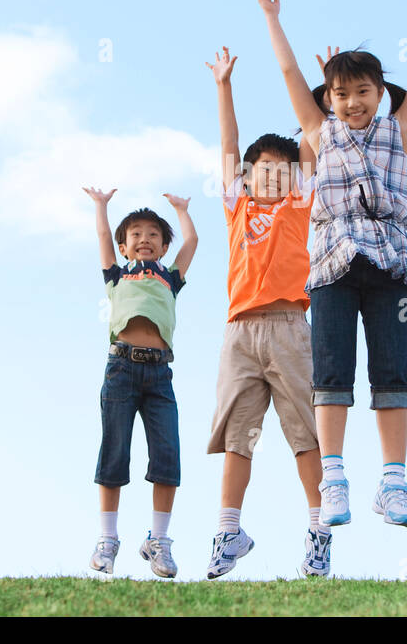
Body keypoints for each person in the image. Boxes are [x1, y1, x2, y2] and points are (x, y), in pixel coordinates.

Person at [258, 0, 407, 531]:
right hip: (332, 265)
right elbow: (288, 71)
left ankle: (394, 482)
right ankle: (334, 478)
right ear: (328, 99)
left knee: (393, 375)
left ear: (380, 94)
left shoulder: (396, 131)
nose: (352, 102)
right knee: (331, 375)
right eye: (341, 93)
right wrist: (273, 19)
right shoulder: (319, 133)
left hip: (389, 266)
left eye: (363, 91)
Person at [203, 45, 331, 579]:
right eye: (263, 171)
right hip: (239, 331)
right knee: (239, 434)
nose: (272, 176)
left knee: (305, 432)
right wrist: (224, 86)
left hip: (288, 328)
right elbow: (230, 146)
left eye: (282, 170)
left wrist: (324, 87)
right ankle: (229, 532)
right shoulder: (238, 206)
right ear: (249, 177)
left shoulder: (299, 204)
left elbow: (310, 135)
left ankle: (320, 533)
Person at [83, 188, 197, 577]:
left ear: (164, 246)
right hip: (120, 370)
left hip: (160, 374)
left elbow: (193, 242)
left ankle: (159, 541)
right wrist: (101, 206)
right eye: (135, 234)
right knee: (114, 453)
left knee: (167, 455)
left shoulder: (170, 278)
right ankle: (107, 539)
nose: (144, 238)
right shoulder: (116, 276)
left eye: (153, 234)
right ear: (124, 245)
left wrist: (181, 211)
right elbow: (102, 238)